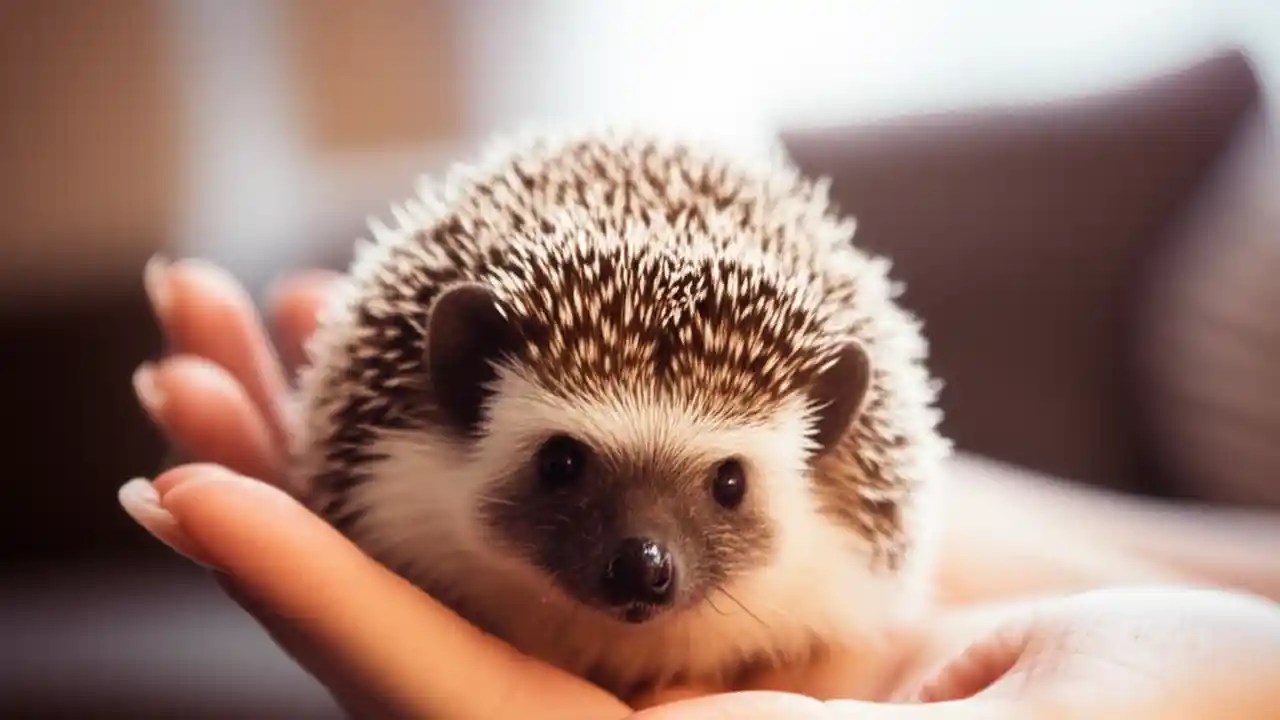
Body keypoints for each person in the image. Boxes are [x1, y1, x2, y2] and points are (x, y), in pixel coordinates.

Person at [119, 257, 1280, 719]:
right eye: (565, 465)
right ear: (467, 395)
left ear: (811, 449)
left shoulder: (854, 566)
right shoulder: (386, 462)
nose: (643, 555)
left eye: (724, 487)